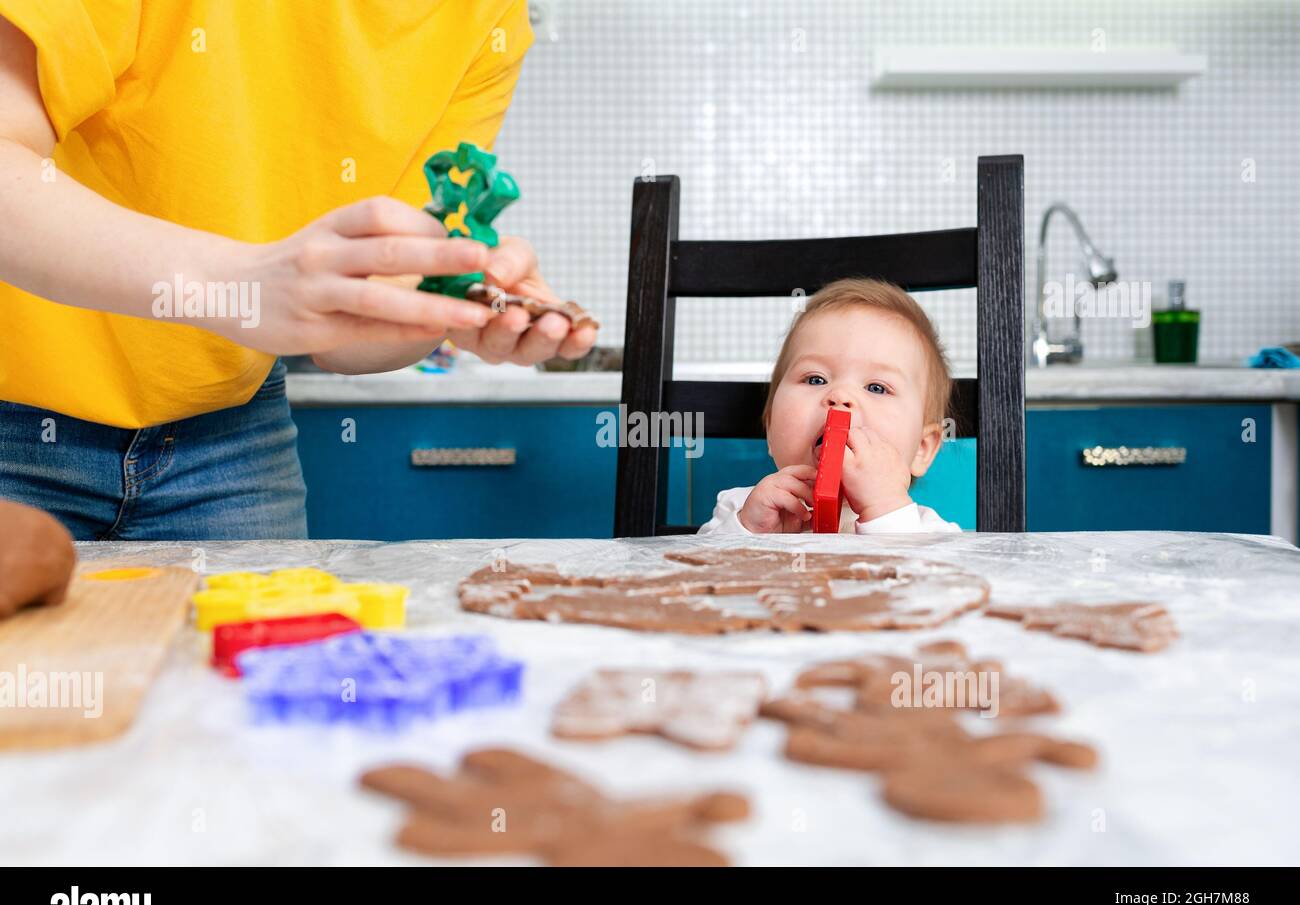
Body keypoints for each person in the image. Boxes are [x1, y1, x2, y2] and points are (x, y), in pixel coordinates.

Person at [0, 2, 594, 540]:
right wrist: (239, 289)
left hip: (230, 435)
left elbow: (353, 322)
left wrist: (446, 302)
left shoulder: (490, 19)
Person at [698, 278, 963, 535]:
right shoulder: (741, 510)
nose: (840, 395)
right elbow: (695, 572)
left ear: (921, 448)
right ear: (770, 429)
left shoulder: (928, 533)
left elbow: (930, 579)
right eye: (815, 379)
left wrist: (886, 515)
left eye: (876, 387)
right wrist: (749, 532)